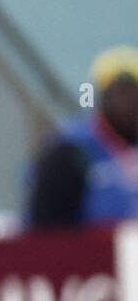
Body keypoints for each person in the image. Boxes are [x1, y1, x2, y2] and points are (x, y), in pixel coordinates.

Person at [27, 47, 138, 229]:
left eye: (134, 91)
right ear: (103, 96)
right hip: (89, 254)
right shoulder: (70, 153)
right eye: (121, 91)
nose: (130, 101)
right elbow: (47, 229)